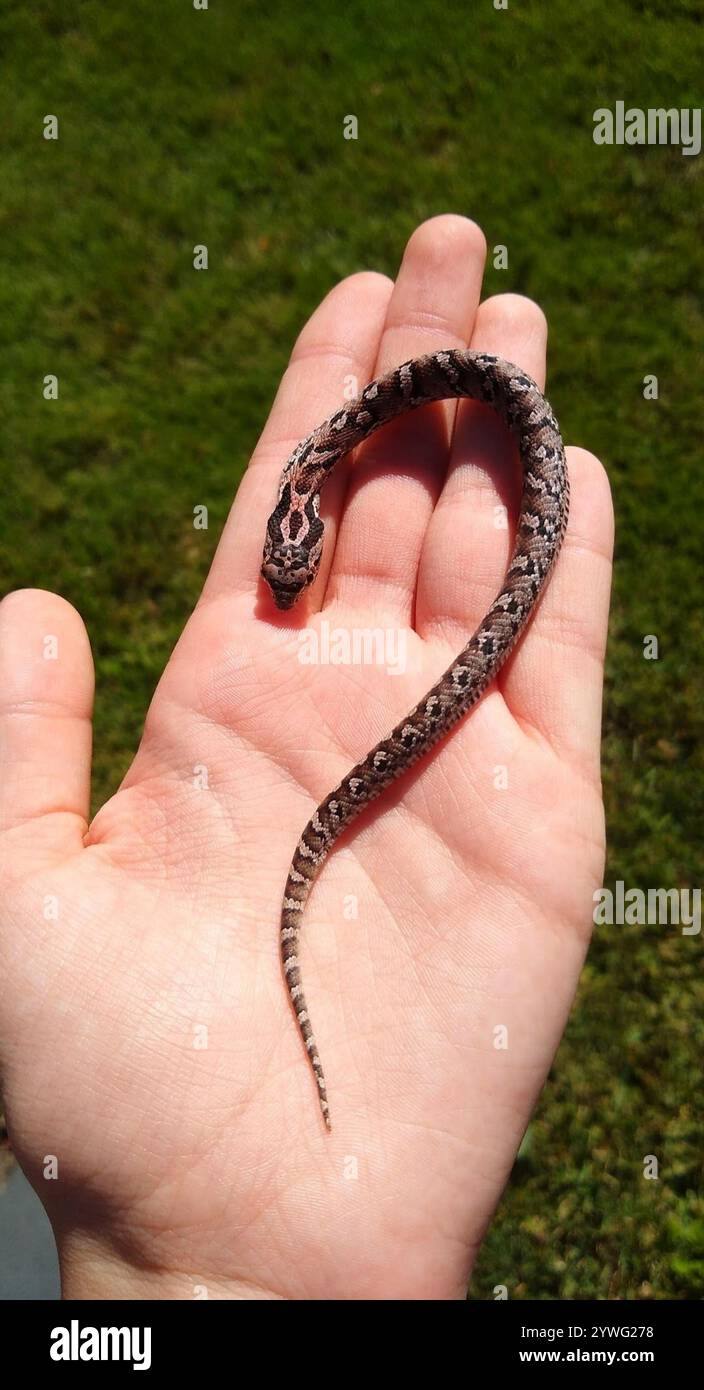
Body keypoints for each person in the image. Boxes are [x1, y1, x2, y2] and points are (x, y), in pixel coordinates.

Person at [0, 215, 613, 1300]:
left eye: (292, 578)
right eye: (282, 581)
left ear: (307, 528)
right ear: (302, 530)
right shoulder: (307, 490)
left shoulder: (320, 474)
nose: (284, 591)